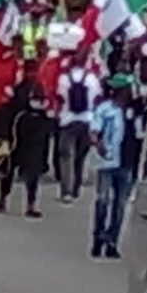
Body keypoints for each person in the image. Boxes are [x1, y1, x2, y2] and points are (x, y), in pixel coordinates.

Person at [0, 59, 52, 219]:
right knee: (9, 168)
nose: (32, 75)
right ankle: (3, 198)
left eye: (34, 71)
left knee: (33, 171)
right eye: (30, 71)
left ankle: (31, 204)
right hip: (18, 134)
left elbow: (47, 112)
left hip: (35, 136)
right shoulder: (18, 90)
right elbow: (9, 112)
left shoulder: (40, 89)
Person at [90, 74, 133, 259]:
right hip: (107, 160)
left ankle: (112, 240)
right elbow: (94, 130)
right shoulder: (105, 108)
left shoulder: (133, 110)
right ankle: (98, 236)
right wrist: (97, 142)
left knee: (120, 204)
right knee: (103, 200)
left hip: (126, 161)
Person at [56, 53, 102, 204]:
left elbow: (60, 98)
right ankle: (76, 187)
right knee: (80, 157)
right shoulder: (92, 78)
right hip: (87, 120)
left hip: (67, 120)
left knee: (66, 156)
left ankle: (66, 191)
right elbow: (97, 98)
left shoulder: (63, 78)